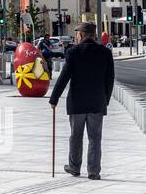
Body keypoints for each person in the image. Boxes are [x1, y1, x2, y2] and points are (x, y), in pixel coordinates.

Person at [48, 22, 114, 180]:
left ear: (82, 35)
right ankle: (93, 171)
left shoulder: (73, 52)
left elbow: (64, 77)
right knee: (95, 138)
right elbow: (110, 79)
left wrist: (54, 98)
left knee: (76, 136)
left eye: (77, 34)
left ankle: (74, 167)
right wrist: (105, 99)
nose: (76, 37)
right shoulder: (105, 53)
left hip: (77, 102)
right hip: (97, 102)